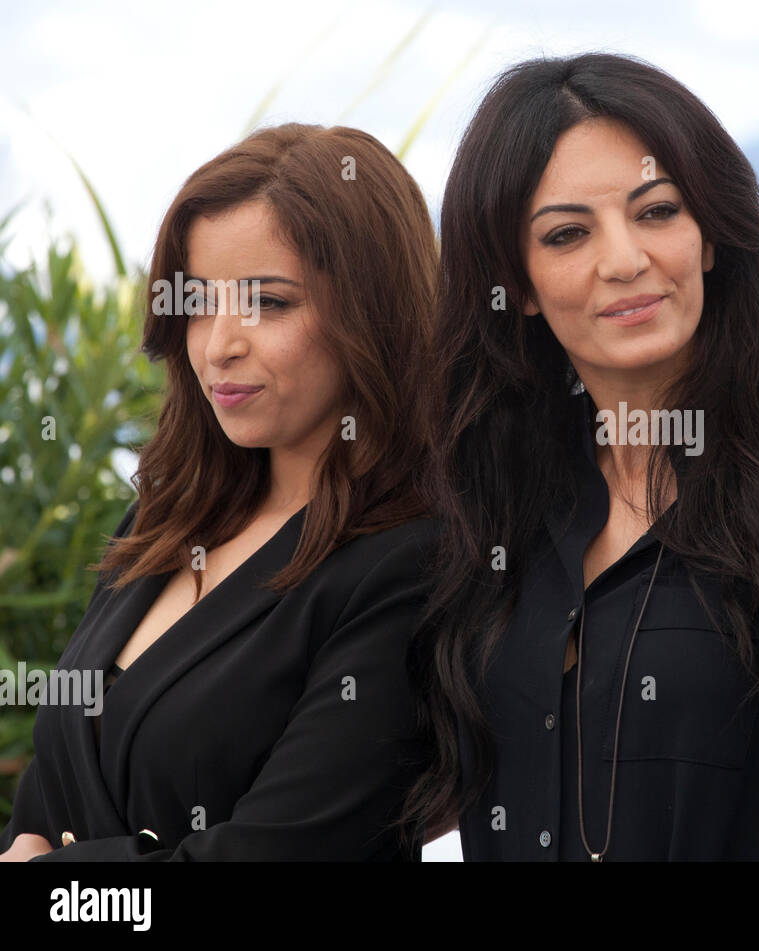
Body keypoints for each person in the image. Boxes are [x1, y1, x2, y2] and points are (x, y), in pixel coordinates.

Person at [402, 52, 759, 861]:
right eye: (566, 233)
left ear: (710, 238)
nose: (624, 259)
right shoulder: (485, 504)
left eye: (656, 212)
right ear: (515, 282)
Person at [0, 123, 440, 861]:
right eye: (198, 302)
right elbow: (53, 781)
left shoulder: (407, 564)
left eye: (267, 303)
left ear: (375, 312)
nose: (218, 344)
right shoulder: (166, 515)